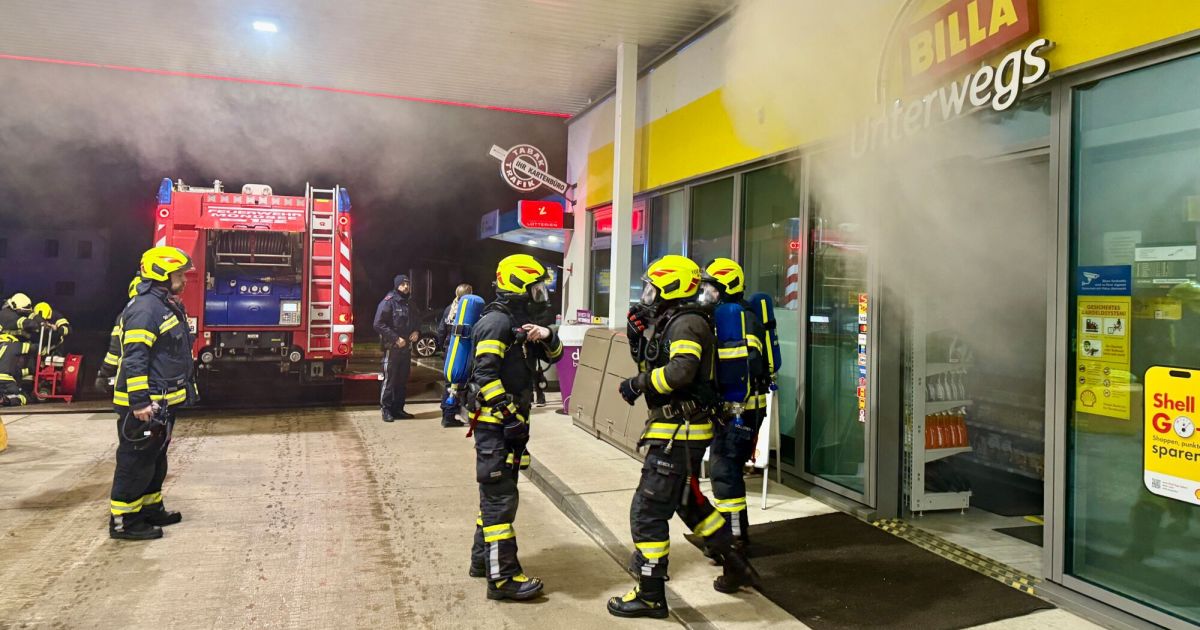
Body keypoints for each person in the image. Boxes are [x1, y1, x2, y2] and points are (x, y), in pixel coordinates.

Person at [607, 255, 759, 619]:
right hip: (681, 430)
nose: (647, 294)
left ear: (671, 287)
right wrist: (638, 335)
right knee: (689, 504)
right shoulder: (678, 320)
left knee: (648, 511)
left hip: (679, 432)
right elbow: (659, 359)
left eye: (653, 287)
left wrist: (637, 384)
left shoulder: (687, 323)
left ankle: (650, 593)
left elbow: (679, 372)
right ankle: (735, 562)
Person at [468, 254, 562, 601]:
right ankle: (503, 578)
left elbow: (556, 356)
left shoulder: (518, 324)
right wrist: (509, 419)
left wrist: (546, 335)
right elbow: (485, 377)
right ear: (519, 288)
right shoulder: (495, 323)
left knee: (495, 497)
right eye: (536, 288)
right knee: (500, 501)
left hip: (510, 427)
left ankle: (483, 562)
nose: (541, 295)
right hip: (496, 428)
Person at [108, 246, 198, 541]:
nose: (184, 279)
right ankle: (125, 521)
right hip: (144, 406)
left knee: (154, 460)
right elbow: (135, 358)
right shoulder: (145, 309)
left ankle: (150, 509)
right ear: (162, 274)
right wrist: (140, 402)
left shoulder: (165, 306)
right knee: (135, 462)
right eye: (179, 274)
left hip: (161, 404)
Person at [698, 258, 769, 549]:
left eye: (711, 287)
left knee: (726, 471)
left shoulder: (741, 318)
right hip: (735, 408)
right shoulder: (728, 316)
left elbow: (747, 365)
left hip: (742, 409)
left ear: (725, 287)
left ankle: (735, 539)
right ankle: (726, 536)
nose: (706, 293)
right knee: (722, 470)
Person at [374, 274, 420, 422]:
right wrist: (395, 338)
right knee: (390, 380)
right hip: (392, 349)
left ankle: (398, 409)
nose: (406, 286)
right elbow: (378, 324)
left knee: (402, 381)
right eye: (403, 284)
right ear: (397, 285)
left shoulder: (410, 304)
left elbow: (417, 321)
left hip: (406, 350)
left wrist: (416, 332)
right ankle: (386, 410)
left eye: (408, 284)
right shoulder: (389, 302)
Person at [95, 276, 143, 394]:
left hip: (133, 381)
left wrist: (104, 374)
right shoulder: (164, 313)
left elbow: (115, 351)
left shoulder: (124, 316)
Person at [438, 283, 473, 428]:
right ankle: (451, 416)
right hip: (463, 351)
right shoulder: (470, 311)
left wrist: (443, 348)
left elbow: (441, 331)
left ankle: (447, 414)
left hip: (449, 350)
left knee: (449, 383)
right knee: (460, 384)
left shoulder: (449, 309)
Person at [0, 334, 30, 407]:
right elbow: (34, 348)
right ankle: (6, 400)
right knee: (24, 397)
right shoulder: (14, 346)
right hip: (6, 381)